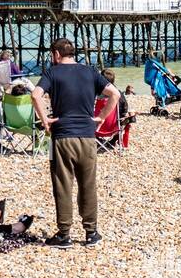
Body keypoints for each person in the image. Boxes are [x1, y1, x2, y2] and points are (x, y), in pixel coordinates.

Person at [31, 40, 119, 248]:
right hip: (88, 137)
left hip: (62, 136)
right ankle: (91, 232)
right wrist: (100, 118)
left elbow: (35, 95)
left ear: (56, 54)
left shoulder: (53, 72)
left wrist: (45, 120)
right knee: (88, 184)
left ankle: (64, 234)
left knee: (62, 185)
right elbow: (115, 94)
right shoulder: (90, 72)